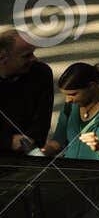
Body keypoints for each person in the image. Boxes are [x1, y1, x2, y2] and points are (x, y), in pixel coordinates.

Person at [40, 63, 99, 162]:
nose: (68, 100)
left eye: (73, 94)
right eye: (66, 95)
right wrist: (37, 153)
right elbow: (58, 142)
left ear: (91, 86)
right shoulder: (70, 105)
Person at [0, 28, 54, 156]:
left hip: (26, 152)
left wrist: (31, 139)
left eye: (33, 53)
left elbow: (42, 119)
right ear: (2, 58)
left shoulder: (41, 73)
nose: (34, 59)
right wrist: (7, 141)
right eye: (26, 56)